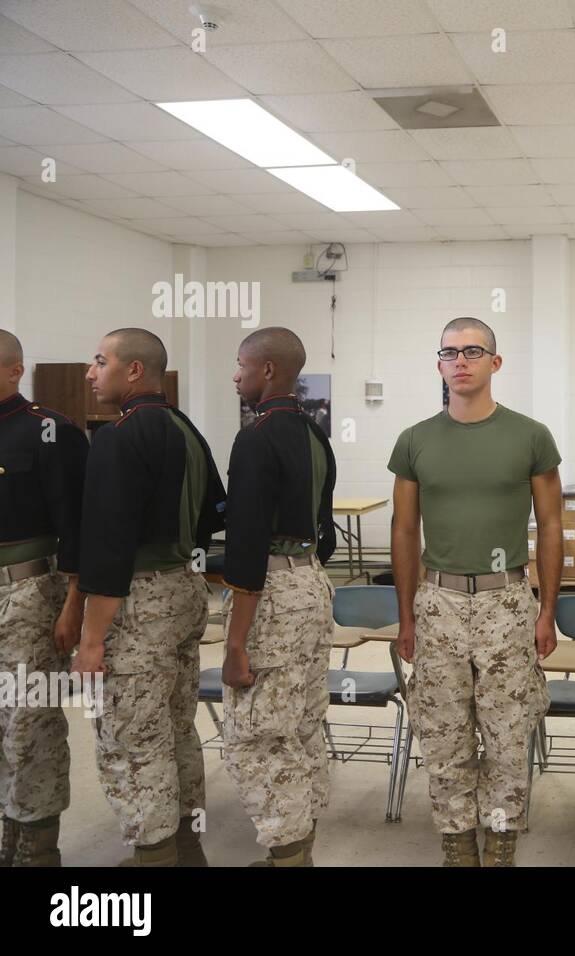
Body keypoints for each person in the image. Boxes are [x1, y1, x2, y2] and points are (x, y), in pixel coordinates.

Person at [388, 317, 561, 867]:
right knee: (442, 729)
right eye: (449, 352)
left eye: (473, 351)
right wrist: (406, 617)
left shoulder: (530, 436)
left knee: (508, 728)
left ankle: (502, 836)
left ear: (495, 362)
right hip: (437, 601)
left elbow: (552, 526)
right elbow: (403, 530)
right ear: (439, 364)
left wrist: (547, 610)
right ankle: (458, 841)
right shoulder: (415, 440)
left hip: (506, 599)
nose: (460, 361)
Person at [71, 328, 225, 867]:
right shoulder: (186, 429)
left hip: (137, 601)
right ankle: (186, 847)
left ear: (133, 371)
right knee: (177, 725)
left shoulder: (118, 437)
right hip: (185, 589)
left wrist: (92, 640)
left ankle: (155, 858)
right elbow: (214, 512)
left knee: (133, 740)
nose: (91, 373)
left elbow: (109, 548)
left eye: (99, 361)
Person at [220, 328, 337, 867]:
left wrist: (235, 644)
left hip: (269, 592)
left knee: (260, 735)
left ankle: (287, 856)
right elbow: (328, 534)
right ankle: (300, 846)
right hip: (310, 583)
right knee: (302, 724)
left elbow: (244, 550)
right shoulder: (316, 436)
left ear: (268, 370)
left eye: (241, 366)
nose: (236, 376)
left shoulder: (256, 436)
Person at [0, 330, 88, 867]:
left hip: (29, 592)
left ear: (14, 370)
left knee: (29, 720)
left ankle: (36, 843)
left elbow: (76, 526)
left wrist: (74, 601)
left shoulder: (49, 431)